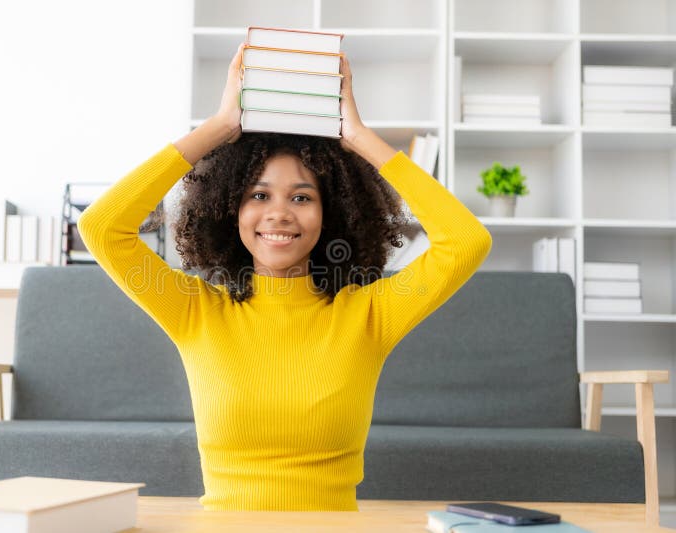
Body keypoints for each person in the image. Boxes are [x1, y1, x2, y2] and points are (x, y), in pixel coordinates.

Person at [78, 42, 493, 511]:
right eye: (258, 196)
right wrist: (216, 129)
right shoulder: (196, 311)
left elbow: (465, 240)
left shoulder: (369, 315)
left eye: (301, 198)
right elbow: (101, 227)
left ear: (331, 215)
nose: (278, 214)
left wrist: (356, 136)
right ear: (229, 211)